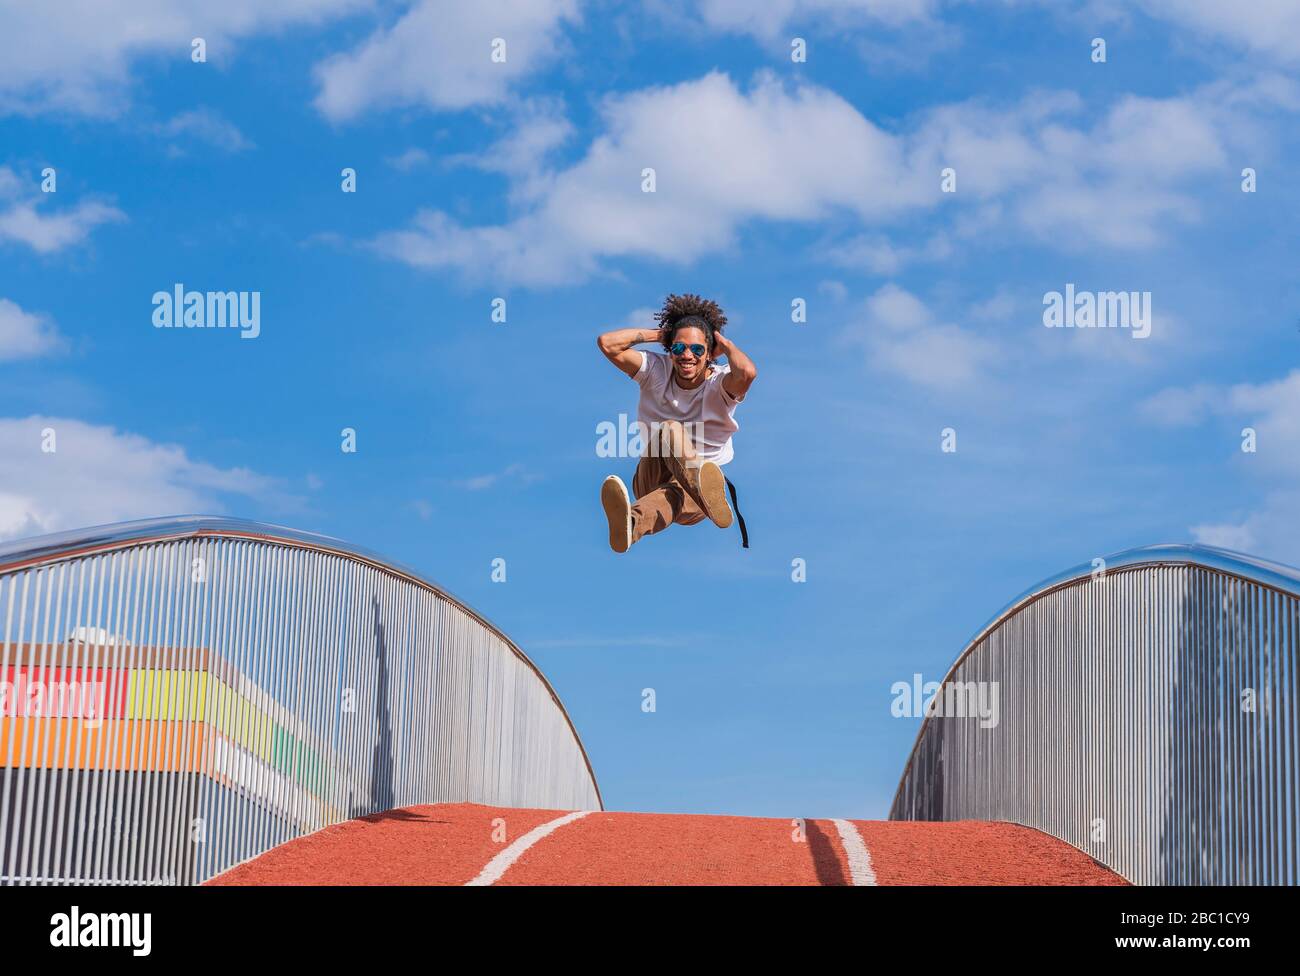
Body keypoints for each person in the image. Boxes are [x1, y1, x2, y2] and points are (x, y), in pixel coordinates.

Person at [596, 293, 757, 553]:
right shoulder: (655, 370)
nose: (687, 356)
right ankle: (697, 494)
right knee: (670, 430)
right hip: (653, 475)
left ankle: (633, 523)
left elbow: (747, 373)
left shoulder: (719, 383)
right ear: (671, 351)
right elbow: (607, 343)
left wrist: (724, 344)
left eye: (697, 349)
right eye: (679, 348)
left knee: (675, 491)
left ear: (709, 354)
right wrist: (661, 335)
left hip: (697, 497)